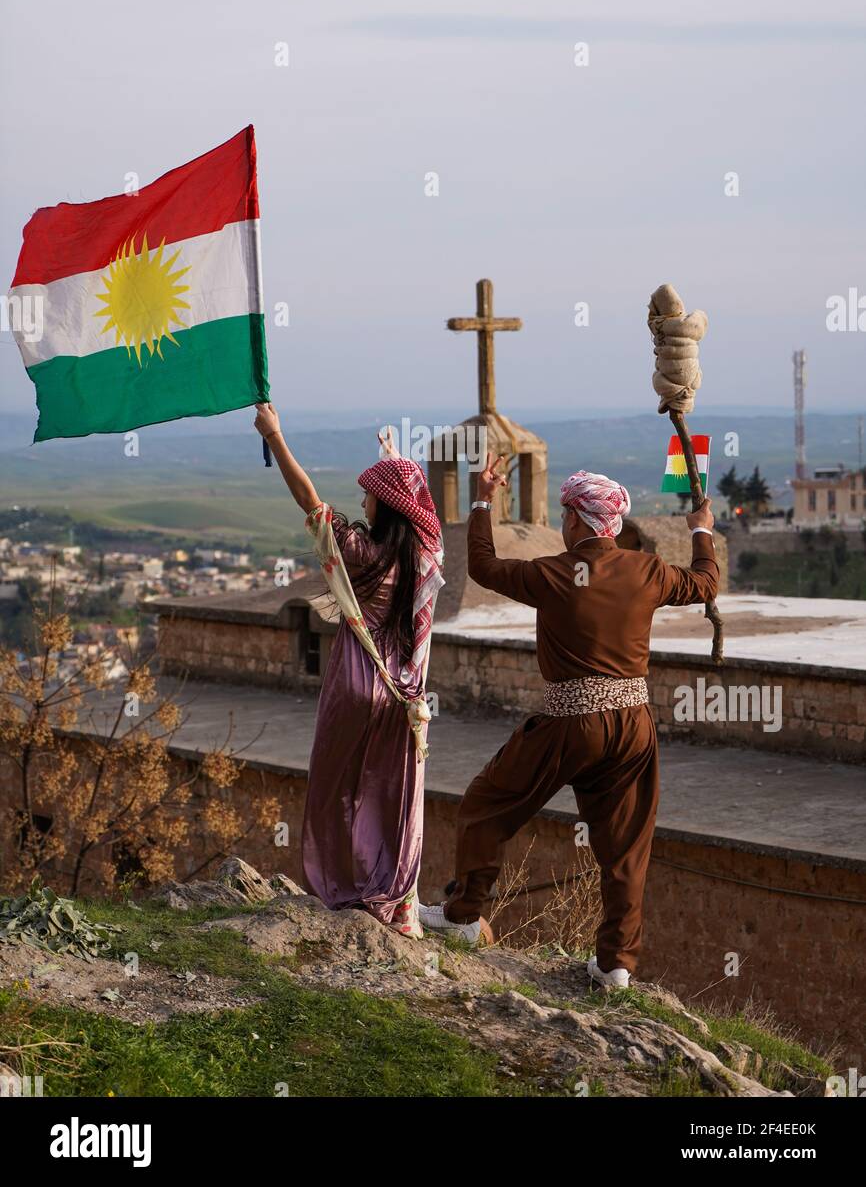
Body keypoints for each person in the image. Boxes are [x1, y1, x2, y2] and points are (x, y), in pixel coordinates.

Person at [419, 454, 718, 987]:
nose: (562, 525)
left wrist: (484, 499)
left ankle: (463, 915)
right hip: (633, 725)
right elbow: (705, 583)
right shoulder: (647, 570)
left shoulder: (553, 573)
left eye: (565, 517)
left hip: (572, 720)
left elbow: (484, 568)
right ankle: (615, 966)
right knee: (625, 847)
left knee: (486, 806)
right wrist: (701, 531)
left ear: (577, 521)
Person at [253, 403, 444, 938]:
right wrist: (395, 462)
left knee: (338, 789)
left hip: (356, 676)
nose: (362, 500)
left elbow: (309, 502)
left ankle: (341, 885)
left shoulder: (361, 553)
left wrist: (276, 436)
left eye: (369, 494)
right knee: (388, 791)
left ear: (384, 506)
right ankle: (392, 894)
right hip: (401, 689)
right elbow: (418, 502)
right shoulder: (426, 555)